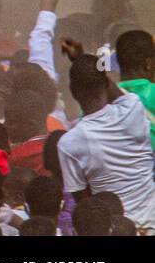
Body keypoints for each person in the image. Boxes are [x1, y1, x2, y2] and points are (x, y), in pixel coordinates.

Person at [57, 44, 155, 233]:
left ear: (72, 91)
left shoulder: (70, 144)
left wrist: (83, 63)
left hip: (114, 230)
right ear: (105, 84)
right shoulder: (133, 107)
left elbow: (86, 206)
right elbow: (107, 85)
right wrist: (85, 59)